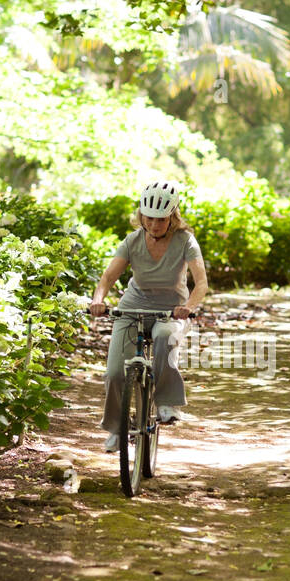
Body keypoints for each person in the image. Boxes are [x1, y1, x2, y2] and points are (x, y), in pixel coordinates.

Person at [89, 179, 208, 452]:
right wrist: (98, 300)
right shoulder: (132, 241)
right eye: (149, 218)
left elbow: (201, 283)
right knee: (115, 372)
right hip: (133, 306)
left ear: (173, 217)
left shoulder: (185, 241)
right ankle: (118, 429)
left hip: (171, 309)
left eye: (161, 219)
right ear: (142, 215)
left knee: (165, 336)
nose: (154, 224)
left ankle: (165, 402)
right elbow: (108, 277)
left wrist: (188, 306)